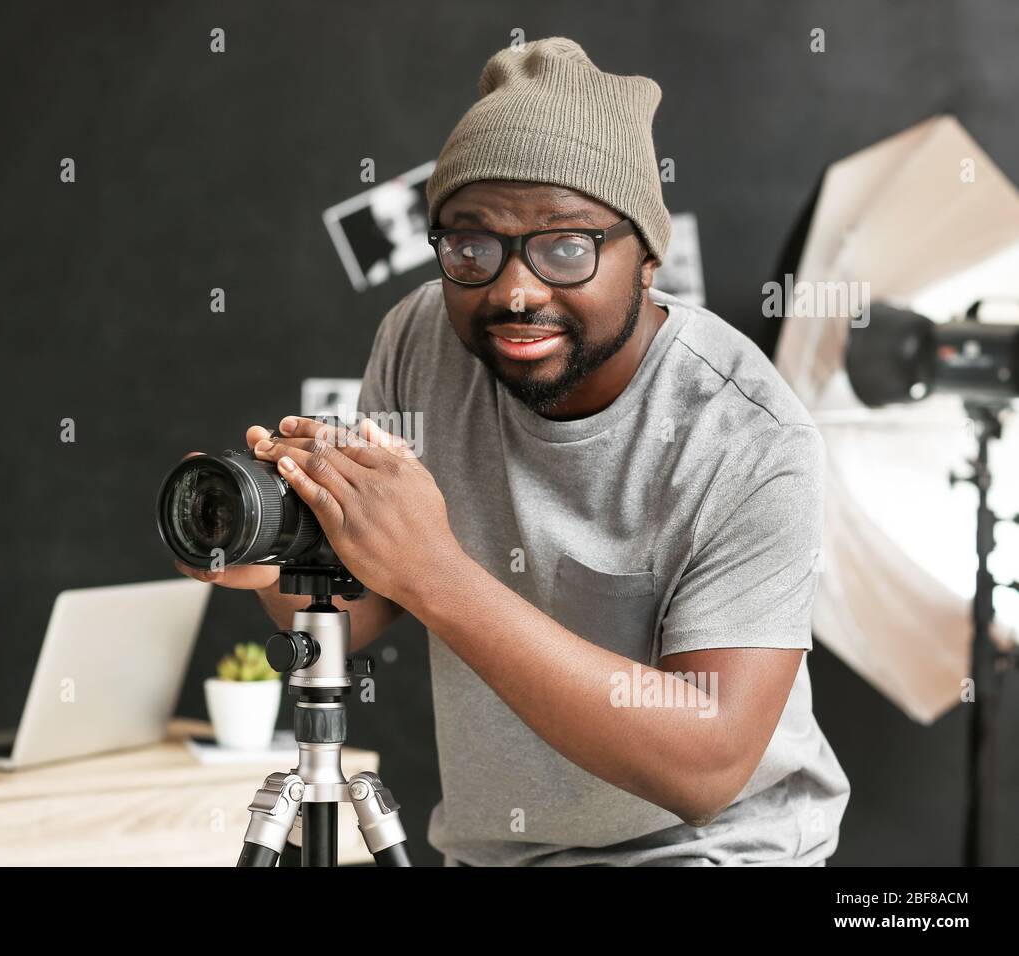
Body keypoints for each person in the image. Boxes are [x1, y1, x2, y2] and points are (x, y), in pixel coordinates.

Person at [178, 36, 849, 866]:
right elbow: (358, 610)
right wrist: (281, 564)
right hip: (496, 850)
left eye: (566, 246)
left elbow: (706, 763)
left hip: (710, 848)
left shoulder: (745, 435)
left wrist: (437, 572)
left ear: (645, 256)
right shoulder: (422, 338)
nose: (514, 290)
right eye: (472, 245)